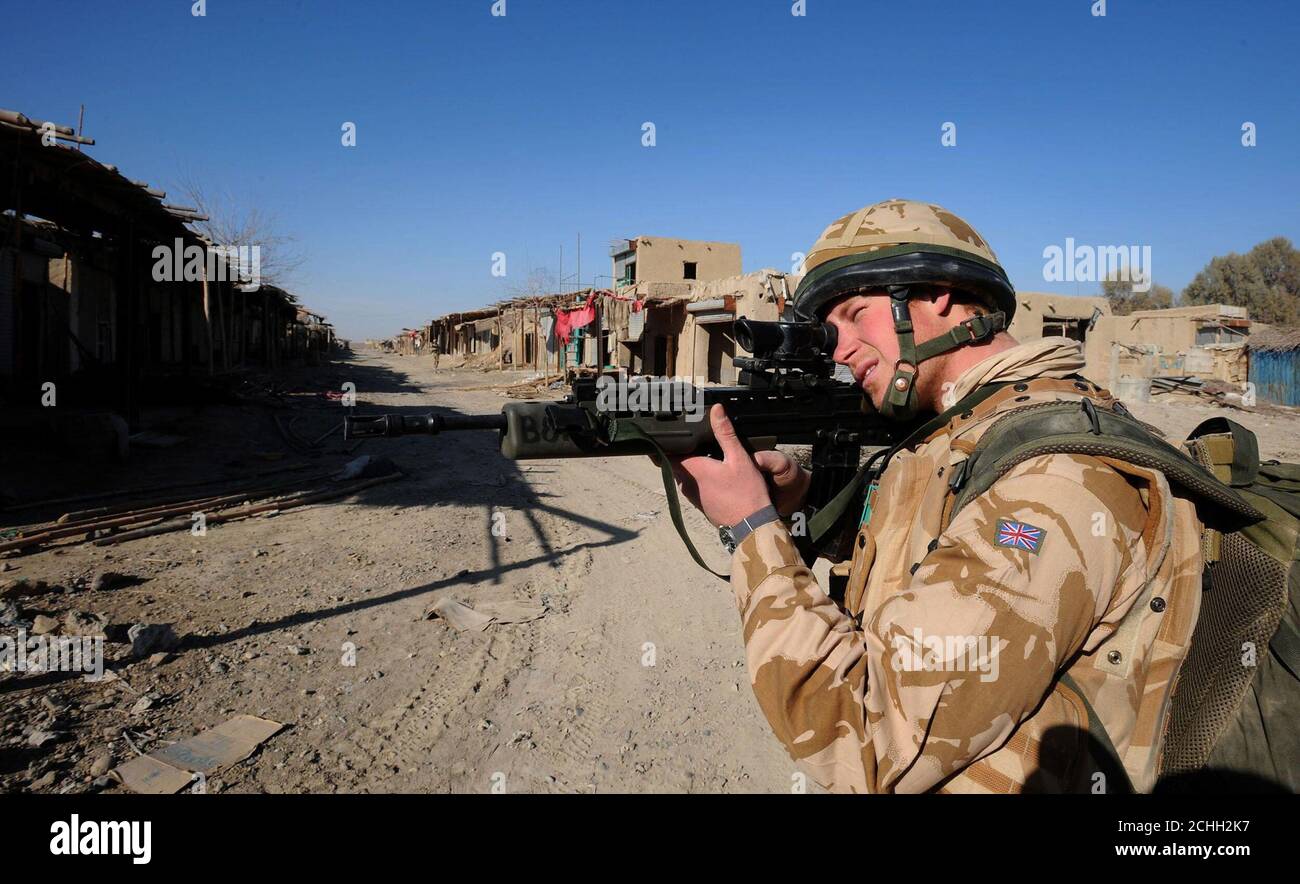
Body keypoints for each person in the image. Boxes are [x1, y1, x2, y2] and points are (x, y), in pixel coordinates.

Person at [667, 199, 1203, 793]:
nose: (838, 348)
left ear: (939, 295)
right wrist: (803, 497)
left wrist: (752, 528)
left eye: (854, 314)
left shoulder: (1054, 479)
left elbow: (866, 734)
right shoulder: (968, 429)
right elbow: (937, 546)